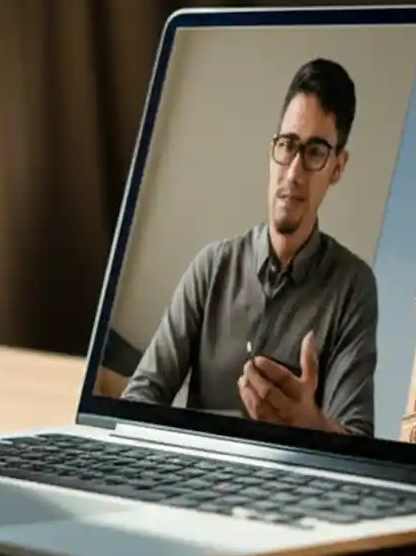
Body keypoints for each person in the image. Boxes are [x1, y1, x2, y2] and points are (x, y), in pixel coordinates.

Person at [120, 58, 378, 436]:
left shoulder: (353, 287)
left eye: (315, 152)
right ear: (273, 149)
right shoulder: (212, 267)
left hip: (288, 472)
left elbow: (357, 441)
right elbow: (143, 392)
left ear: (338, 166)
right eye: (287, 145)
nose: (293, 173)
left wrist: (310, 424)